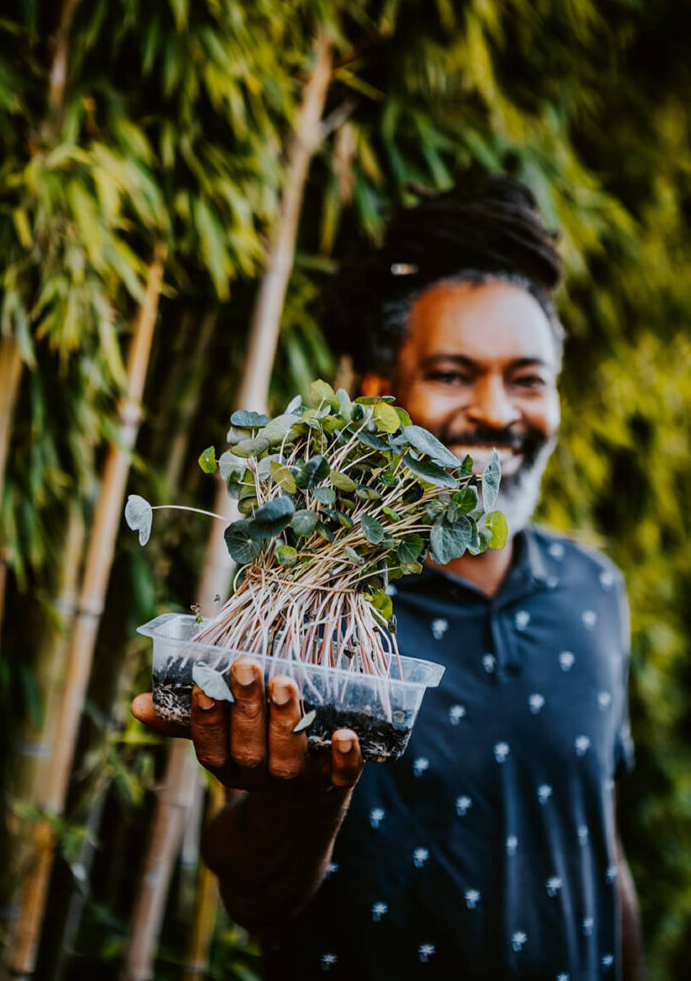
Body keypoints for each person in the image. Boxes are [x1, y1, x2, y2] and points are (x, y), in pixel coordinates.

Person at [132, 176, 644, 979]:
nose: (496, 412)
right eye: (451, 373)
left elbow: (598, 844)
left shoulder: (595, 590)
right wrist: (298, 799)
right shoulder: (316, 608)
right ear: (377, 395)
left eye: (527, 379)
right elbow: (253, 897)